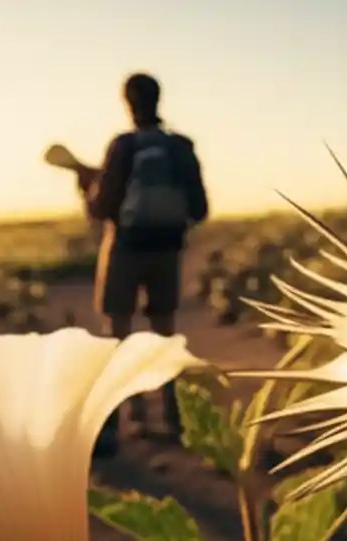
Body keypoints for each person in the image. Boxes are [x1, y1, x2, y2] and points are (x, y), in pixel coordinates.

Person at [81, 72, 209, 457]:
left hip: (125, 248)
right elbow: (200, 209)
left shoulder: (122, 148)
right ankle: (174, 418)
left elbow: (103, 207)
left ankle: (123, 423)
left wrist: (87, 188)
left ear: (128, 102)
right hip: (166, 250)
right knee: (165, 334)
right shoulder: (179, 149)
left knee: (117, 335)